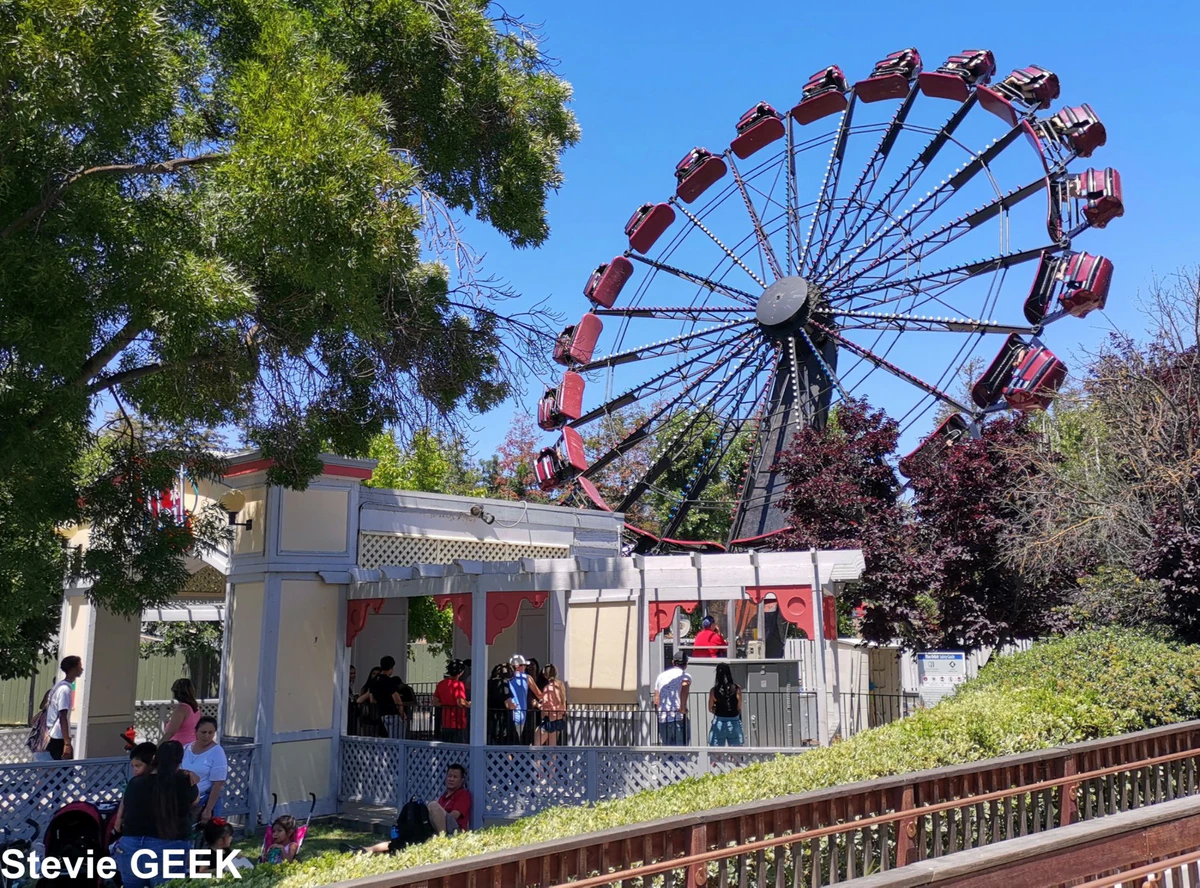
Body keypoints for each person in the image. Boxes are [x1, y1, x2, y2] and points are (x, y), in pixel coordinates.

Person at [112, 740, 197, 888]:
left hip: (131, 844)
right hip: (169, 845)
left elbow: (125, 806)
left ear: (155, 759)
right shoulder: (184, 781)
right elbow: (195, 801)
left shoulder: (135, 783)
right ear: (180, 760)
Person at [353, 764, 472, 854]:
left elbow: (453, 817)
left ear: (461, 780)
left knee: (432, 805)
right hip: (436, 828)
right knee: (405, 838)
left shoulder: (463, 795)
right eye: (449, 776)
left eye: (455, 777)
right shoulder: (443, 796)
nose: (451, 779)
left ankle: (443, 841)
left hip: (454, 831)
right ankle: (367, 850)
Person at [182, 716, 228, 823]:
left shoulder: (217, 752)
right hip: (184, 801)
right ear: (196, 731)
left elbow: (218, 784)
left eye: (210, 733)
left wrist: (208, 810)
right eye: (203, 732)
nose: (206, 736)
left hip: (202, 801)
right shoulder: (186, 748)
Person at [357, 656, 411, 739]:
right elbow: (397, 699)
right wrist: (403, 714)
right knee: (398, 739)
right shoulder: (389, 681)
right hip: (393, 714)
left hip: (382, 714)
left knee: (388, 738)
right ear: (391, 668)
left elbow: (372, 700)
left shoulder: (374, 681)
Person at [111, 742, 158, 835]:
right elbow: (125, 798)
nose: (135, 770)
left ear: (151, 762)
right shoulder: (134, 782)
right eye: (133, 766)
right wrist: (119, 817)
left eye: (138, 766)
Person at [46, 656, 83, 760]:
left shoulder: (58, 686)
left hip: (55, 734)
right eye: (79, 666)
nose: (81, 669)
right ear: (73, 669)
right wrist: (67, 743)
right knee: (63, 770)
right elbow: (63, 716)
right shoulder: (64, 689)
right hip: (59, 736)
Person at [653, 651, 692, 746]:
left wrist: (659, 712)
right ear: (686, 664)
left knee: (667, 750)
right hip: (678, 717)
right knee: (681, 750)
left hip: (663, 718)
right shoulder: (685, 676)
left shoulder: (661, 676)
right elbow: (684, 685)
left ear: (673, 662)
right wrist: (682, 707)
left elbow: (656, 699)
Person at [508, 655, 542, 744]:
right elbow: (539, 694)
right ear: (517, 666)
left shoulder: (507, 679)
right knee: (517, 740)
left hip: (508, 714)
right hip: (521, 714)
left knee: (509, 741)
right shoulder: (527, 678)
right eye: (523, 665)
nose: (525, 667)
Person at [708, 662, 744, 747]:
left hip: (719, 722)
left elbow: (710, 708)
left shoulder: (714, 690)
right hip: (734, 721)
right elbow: (739, 707)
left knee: (715, 754)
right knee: (736, 754)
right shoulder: (737, 688)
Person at [433, 661, 469, 743]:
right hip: (458, 722)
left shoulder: (441, 684)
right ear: (461, 672)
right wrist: (469, 704)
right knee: (459, 747)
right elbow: (460, 702)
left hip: (445, 721)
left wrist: (445, 703)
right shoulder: (459, 684)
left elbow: (435, 702)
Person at [161, 678, 204, 746]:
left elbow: (171, 732)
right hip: (192, 745)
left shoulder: (182, 708)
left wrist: (158, 747)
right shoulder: (196, 708)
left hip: (179, 747)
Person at [534, 664, 567, 747]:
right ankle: (552, 760)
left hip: (550, 720)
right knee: (552, 747)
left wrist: (536, 704)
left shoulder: (547, 688)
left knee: (536, 746)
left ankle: (537, 760)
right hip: (559, 720)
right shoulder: (561, 686)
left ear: (545, 675)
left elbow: (546, 708)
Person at [486, 663, 518, 745]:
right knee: (508, 745)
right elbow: (508, 705)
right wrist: (514, 706)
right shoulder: (504, 684)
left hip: (489, 719)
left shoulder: (488, 683)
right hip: (503, 721)